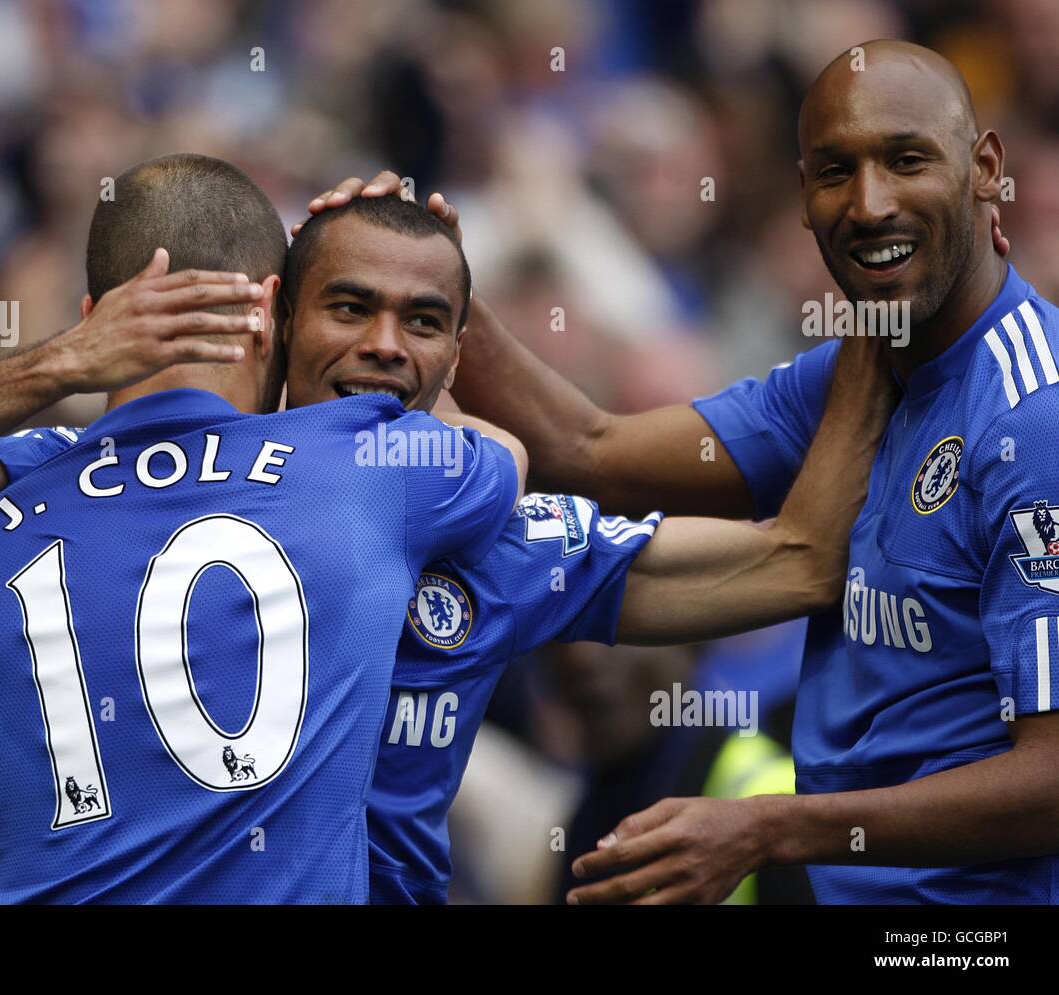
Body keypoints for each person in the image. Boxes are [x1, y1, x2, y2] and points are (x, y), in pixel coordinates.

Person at [0, 160, 894, 904]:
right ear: (273, 313)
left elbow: (794, 563)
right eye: (349, 308)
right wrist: (882, 319)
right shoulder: (392, 476)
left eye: (422, 322)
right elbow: (531, 449)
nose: (382, 350)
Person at [425, 40, 1059, 905]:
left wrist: (769, 824)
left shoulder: (1035, 415)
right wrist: (432, 284)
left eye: (907, 160)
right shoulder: (854, 378)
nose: (870, 204)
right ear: (803, 196)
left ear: (985, 168)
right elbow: (593, 453)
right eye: (836, 171)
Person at [0, 153, 526, 903]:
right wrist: (432, 277)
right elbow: (506, 453)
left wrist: (54, 364)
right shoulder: (371, 472)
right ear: (272, 312)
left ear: (91, 318)